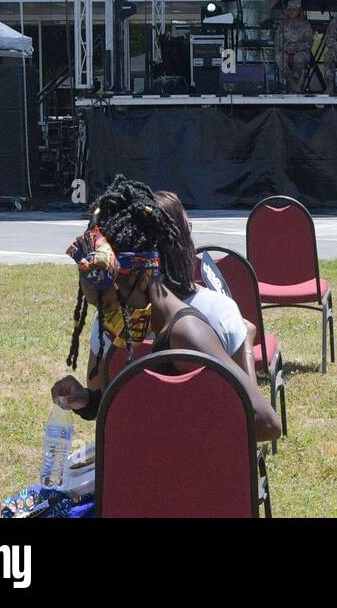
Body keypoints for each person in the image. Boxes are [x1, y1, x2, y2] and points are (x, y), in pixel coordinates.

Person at [50, 176, 281, 443]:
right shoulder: (164, 328)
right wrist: (88, 400)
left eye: (115, 305)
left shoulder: (186, 334)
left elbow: (265, 424)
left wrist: (173, 433)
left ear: (144, 277)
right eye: (100, 309)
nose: (108, 319)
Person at [274, 0, 314, 94]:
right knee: (279, 57)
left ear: (299, 11)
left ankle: (295, 81)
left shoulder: (306, 25)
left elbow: (309, 42)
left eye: (294, 10)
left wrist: (298, 47)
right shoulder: (282, 25)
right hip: (286, 51)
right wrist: (286, 48)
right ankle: (292, 83)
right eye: (289, 10)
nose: (291, 12)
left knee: (298, 58)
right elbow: (278, 42)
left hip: (301, 52)